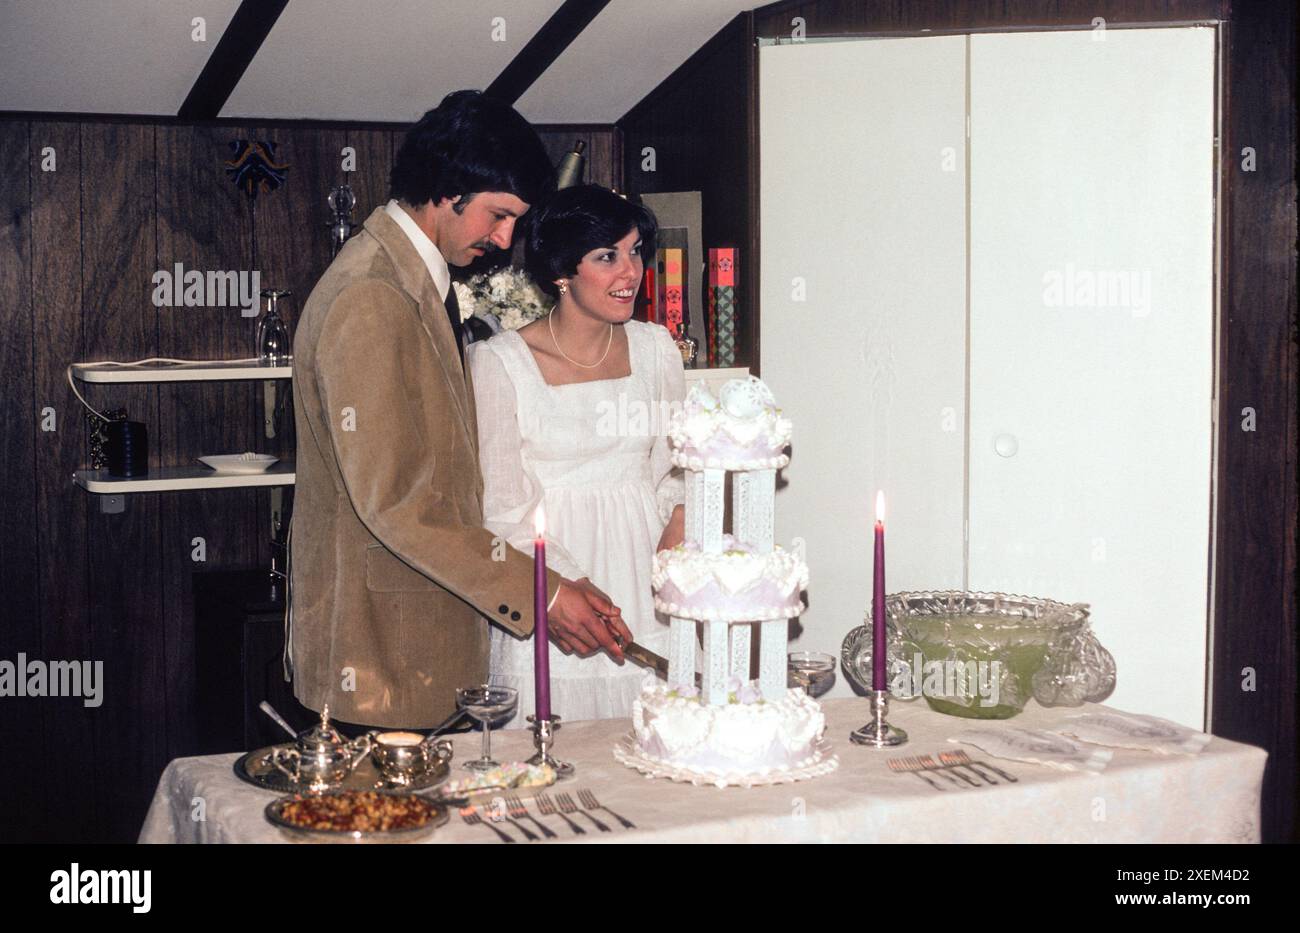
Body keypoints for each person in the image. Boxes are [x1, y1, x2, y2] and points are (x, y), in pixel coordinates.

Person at [288, 93, 631, 730]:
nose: (504, 241)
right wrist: (544, 591)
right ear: (447, 190)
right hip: (382, 664)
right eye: (498, 216)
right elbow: (399, 502)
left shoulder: (409, 278)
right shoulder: (372, 293)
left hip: (417, 652)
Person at [466, 185, 687, 722]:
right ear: (563, 271)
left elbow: (679, 464)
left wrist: (681, 517)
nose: (629, 272)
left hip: (647, 583)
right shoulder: (499, 362)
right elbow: (503, 508)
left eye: (635, 251)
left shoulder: (657, 347)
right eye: (607, 256)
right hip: (553, 583)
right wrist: (559, 587)